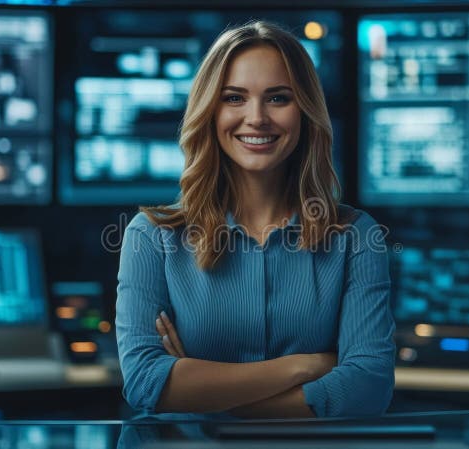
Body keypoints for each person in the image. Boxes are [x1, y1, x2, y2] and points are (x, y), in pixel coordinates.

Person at [115, 20, 394, 419]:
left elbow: (368, 388)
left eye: (278, 98)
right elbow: (145, 383)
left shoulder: (355, 236)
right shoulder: (152, 237)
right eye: (234, 98)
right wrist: (308, 367)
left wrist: (197, 391)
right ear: (210, 111)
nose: (257, 117)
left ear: (306, 111)